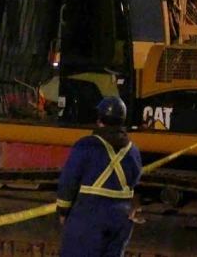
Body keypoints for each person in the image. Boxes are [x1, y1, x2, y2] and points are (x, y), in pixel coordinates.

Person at [56, 95, 143, 257]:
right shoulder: (133, 150)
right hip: (121, 220)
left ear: (99, 120)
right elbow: (135, 181)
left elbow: (68, 180)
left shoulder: (86, 145)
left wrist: (63, 211)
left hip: (89, 217)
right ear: (122, 121)